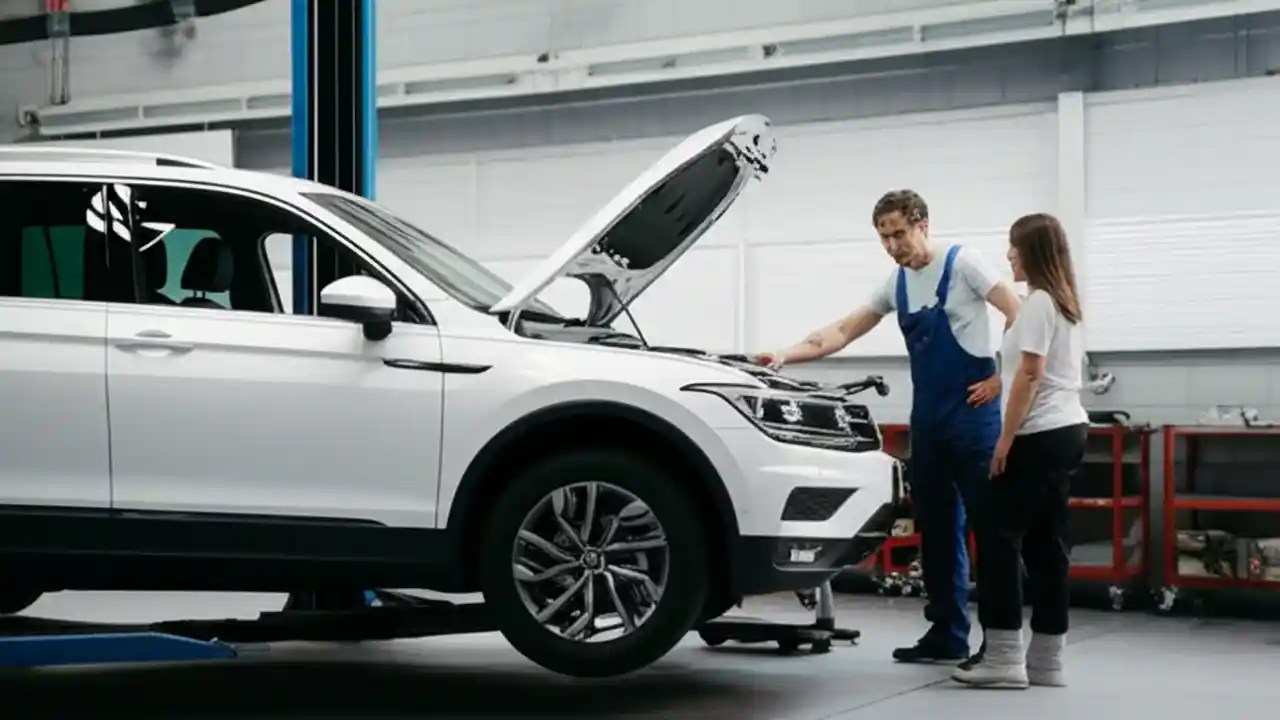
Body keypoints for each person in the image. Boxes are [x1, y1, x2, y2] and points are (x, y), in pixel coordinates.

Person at [752, 189, 1020, 664]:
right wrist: (784, 354)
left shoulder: (965, 265)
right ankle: (947, 635)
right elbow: (840, 331)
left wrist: (1004, 375)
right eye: (884, 238)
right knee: (937, 529)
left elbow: (1019, 314)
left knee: (991, 529)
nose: (894, 246)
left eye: (899, 234)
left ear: (923, 225)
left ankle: (1001, 643)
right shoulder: (895, 285)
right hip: (930, 421)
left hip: (974, 417)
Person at [950, 212, 1089, 690]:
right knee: (1047, 545)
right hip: (1069, 431)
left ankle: (1004, 656)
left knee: (997, 535)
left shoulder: (1037, 304)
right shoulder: (1067, 305)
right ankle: (1047, 661)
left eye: (1015, 246)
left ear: (1034, 252)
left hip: (1038, 434)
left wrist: (1005, 440)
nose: (1009, 254)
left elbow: (1028, 375)